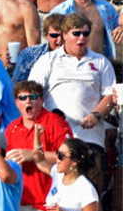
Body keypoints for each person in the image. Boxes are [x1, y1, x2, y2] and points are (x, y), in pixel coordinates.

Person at [4, 79, 73, 211]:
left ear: (41, 100)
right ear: (17, 103)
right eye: (23, 98)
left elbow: (70, 155)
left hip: (49, 205)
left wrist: (35, 155)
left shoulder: (54, 122)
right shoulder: (12, 129)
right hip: (22, 205)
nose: (28, 101)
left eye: (33, 97)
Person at [28, 13, 115, 150]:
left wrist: (97, 115)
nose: (82, 38)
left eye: (85, 33)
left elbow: (110, 95)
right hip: (55, 137)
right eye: (76, 33)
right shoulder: (48, 60)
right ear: (64, 35)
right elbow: (31, 92)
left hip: (90, 138)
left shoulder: (101, 62)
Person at [49, 0, 122, 59]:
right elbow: (51, 45)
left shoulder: (106, 8)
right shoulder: (60, 12)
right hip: (72, 68)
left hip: (101, 67)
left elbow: (118, 30)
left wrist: (121, 28)